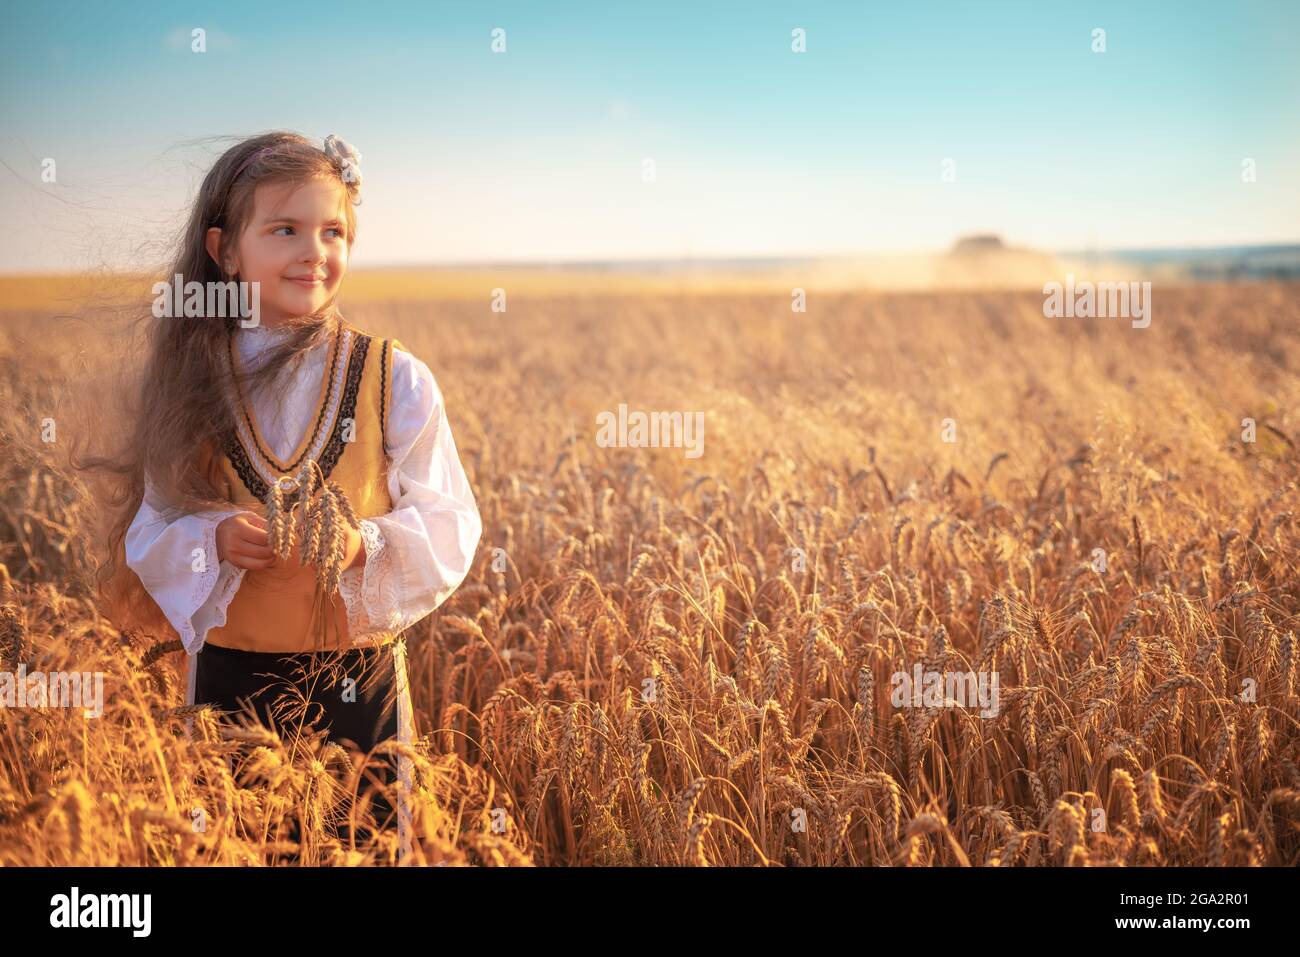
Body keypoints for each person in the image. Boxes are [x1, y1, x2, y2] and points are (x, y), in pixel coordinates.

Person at [106, 131, 481, 863]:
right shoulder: (191, 385)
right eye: (285, 229)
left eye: (332, 231)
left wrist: (363, 545)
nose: (314, 252)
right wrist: (211, 539)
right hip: (229, 684)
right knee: (237, 848)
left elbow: (450, 521)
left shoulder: (393, 378)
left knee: (364, 848)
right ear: (224, 250)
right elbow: (152, 527)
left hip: (359, 689)